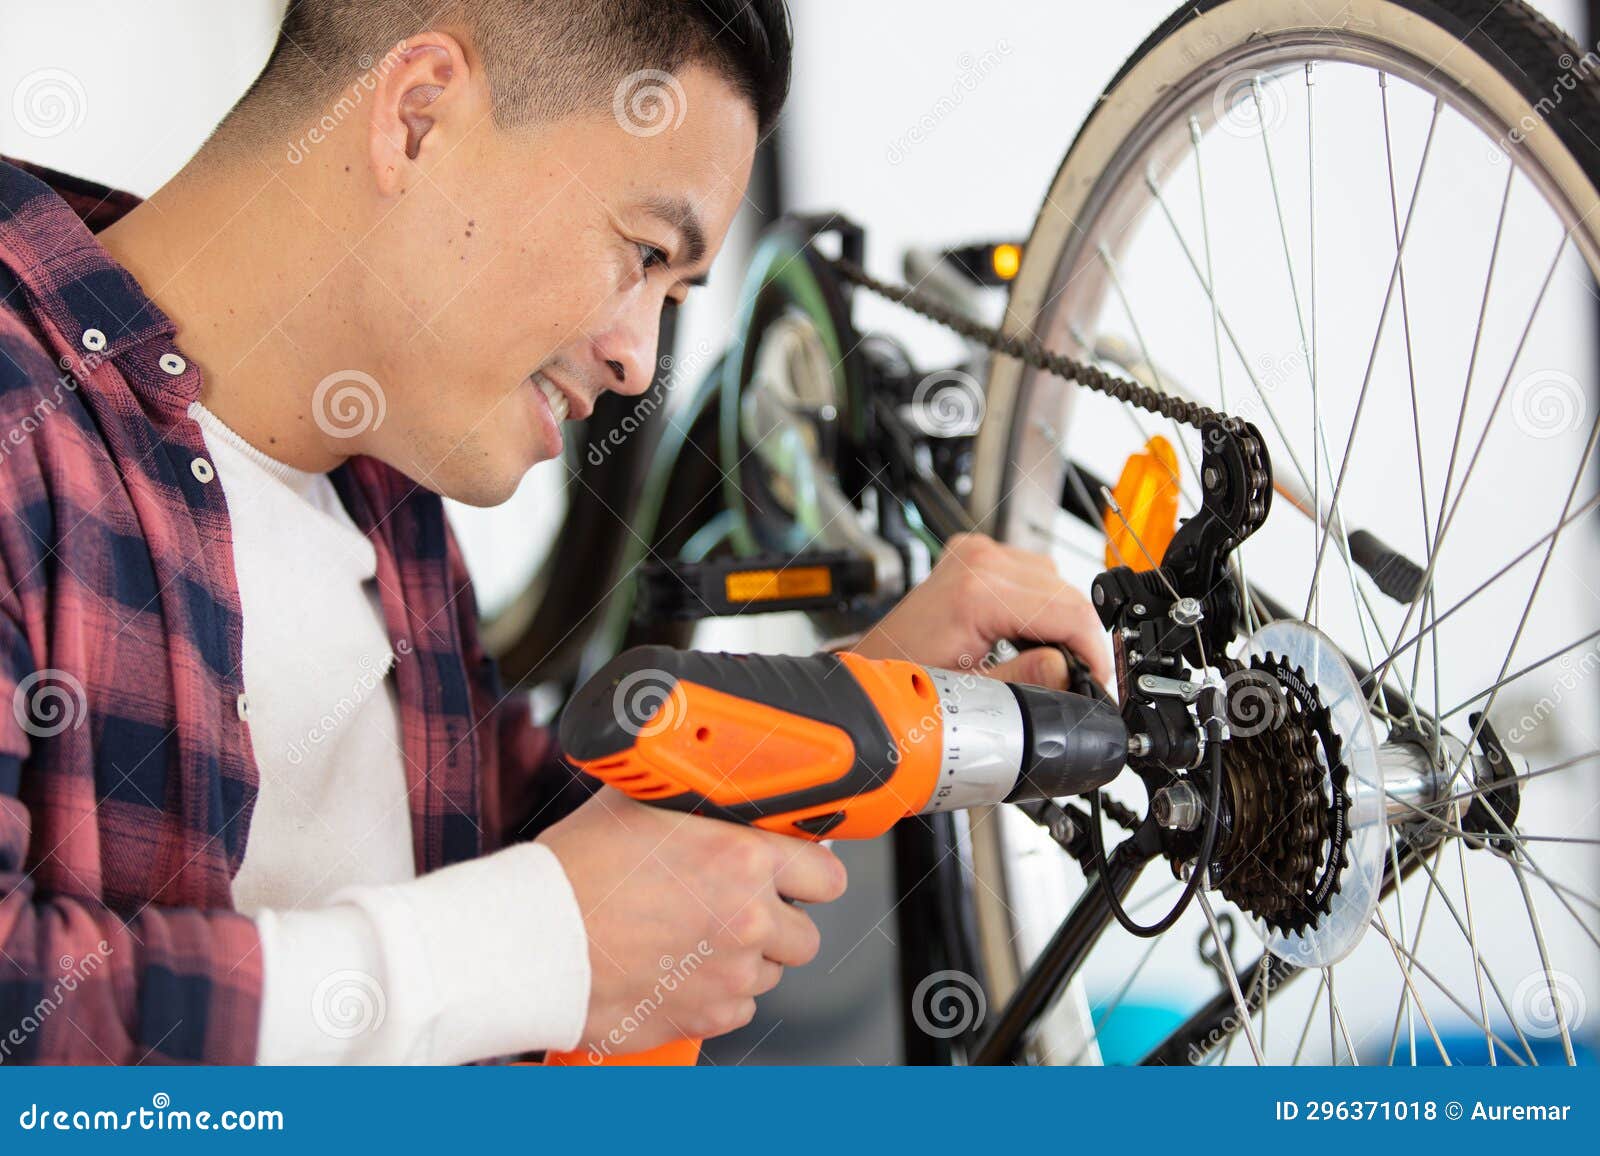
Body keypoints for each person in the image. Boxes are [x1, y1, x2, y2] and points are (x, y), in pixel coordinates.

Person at [0, 0, 1108, 1064]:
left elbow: (530, 858)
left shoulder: (385, 502)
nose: (636, 358)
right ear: (418, 114)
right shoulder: (22, 422)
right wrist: (539, 940)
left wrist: (867, 692)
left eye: (675, 297)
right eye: (641, 252)